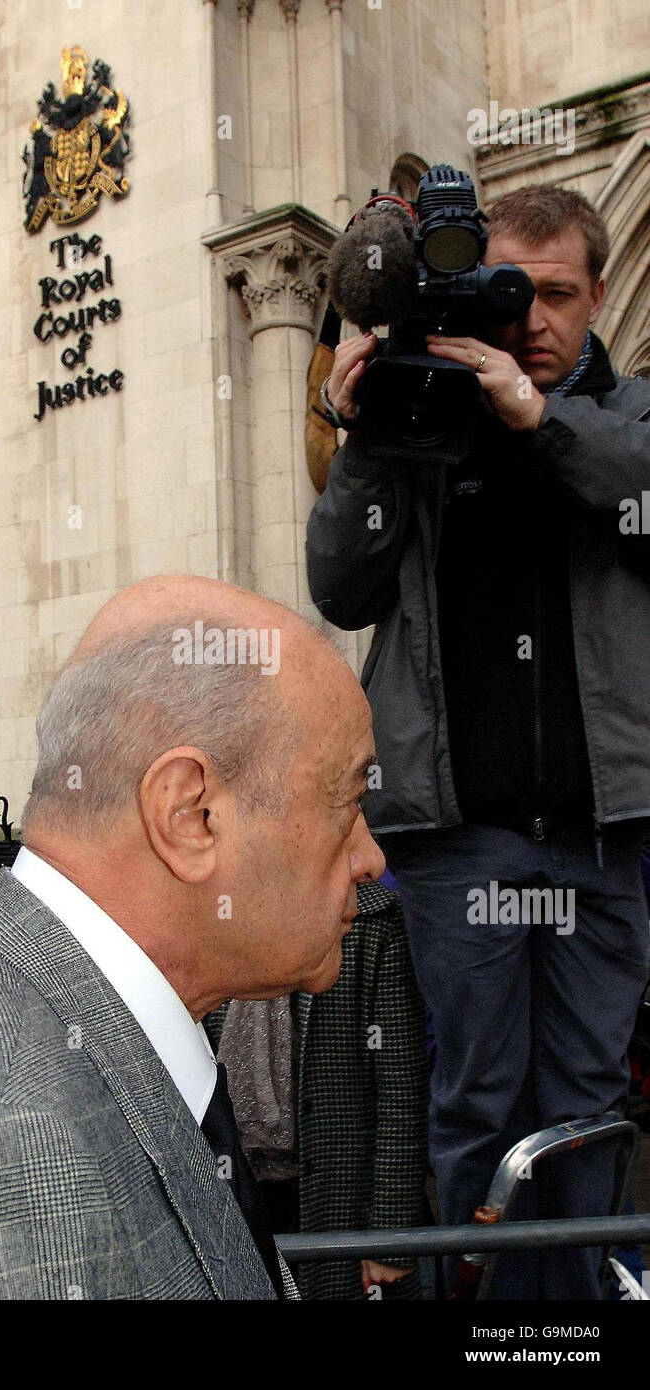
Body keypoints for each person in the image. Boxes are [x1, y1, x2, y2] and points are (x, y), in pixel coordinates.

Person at [0, 574, 385, 1300]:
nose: (370, 857)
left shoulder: (33, 1020)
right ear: (190, 815)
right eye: (349, 799)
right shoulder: (7, 1147)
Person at [306, 185, 650, 1299]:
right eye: (511, 291)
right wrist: (364, 439)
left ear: (599, 295)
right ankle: (497, 1318)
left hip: (598, 838)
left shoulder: (628, 416)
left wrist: (532, 417)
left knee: (587, 1100)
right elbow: (340, 585)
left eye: (555, 293)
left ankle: (578, 1316)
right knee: (478, 1101)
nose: (534, 319)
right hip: (460, 843)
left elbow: (631, 485)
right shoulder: (424, 420)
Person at [204, 876, 428, 1300]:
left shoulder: (372, 920)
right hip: (242, 1192)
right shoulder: (216, 910)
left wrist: (390, 1239)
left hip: (344, 1202)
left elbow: (402, 1095)